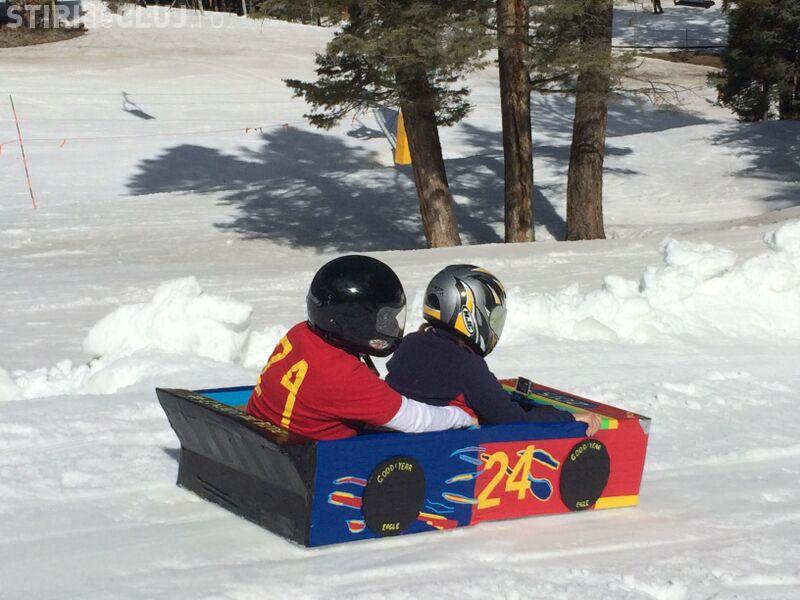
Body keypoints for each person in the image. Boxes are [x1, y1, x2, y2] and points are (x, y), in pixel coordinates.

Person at [246, 255, 475, 441]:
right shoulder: (342, 374)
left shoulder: (300, 334)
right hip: (313, 461)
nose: (390, 327)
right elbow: (414, 419)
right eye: (383, 318)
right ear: (353, 321)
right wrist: (461, 417)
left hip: (265, 440)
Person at [386, 265, 601, 435]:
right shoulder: (466, 365)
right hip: (443, 453)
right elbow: (513, 422)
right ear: (470, 314)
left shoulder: (411, 343)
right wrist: (569, 417)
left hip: (401, 438)